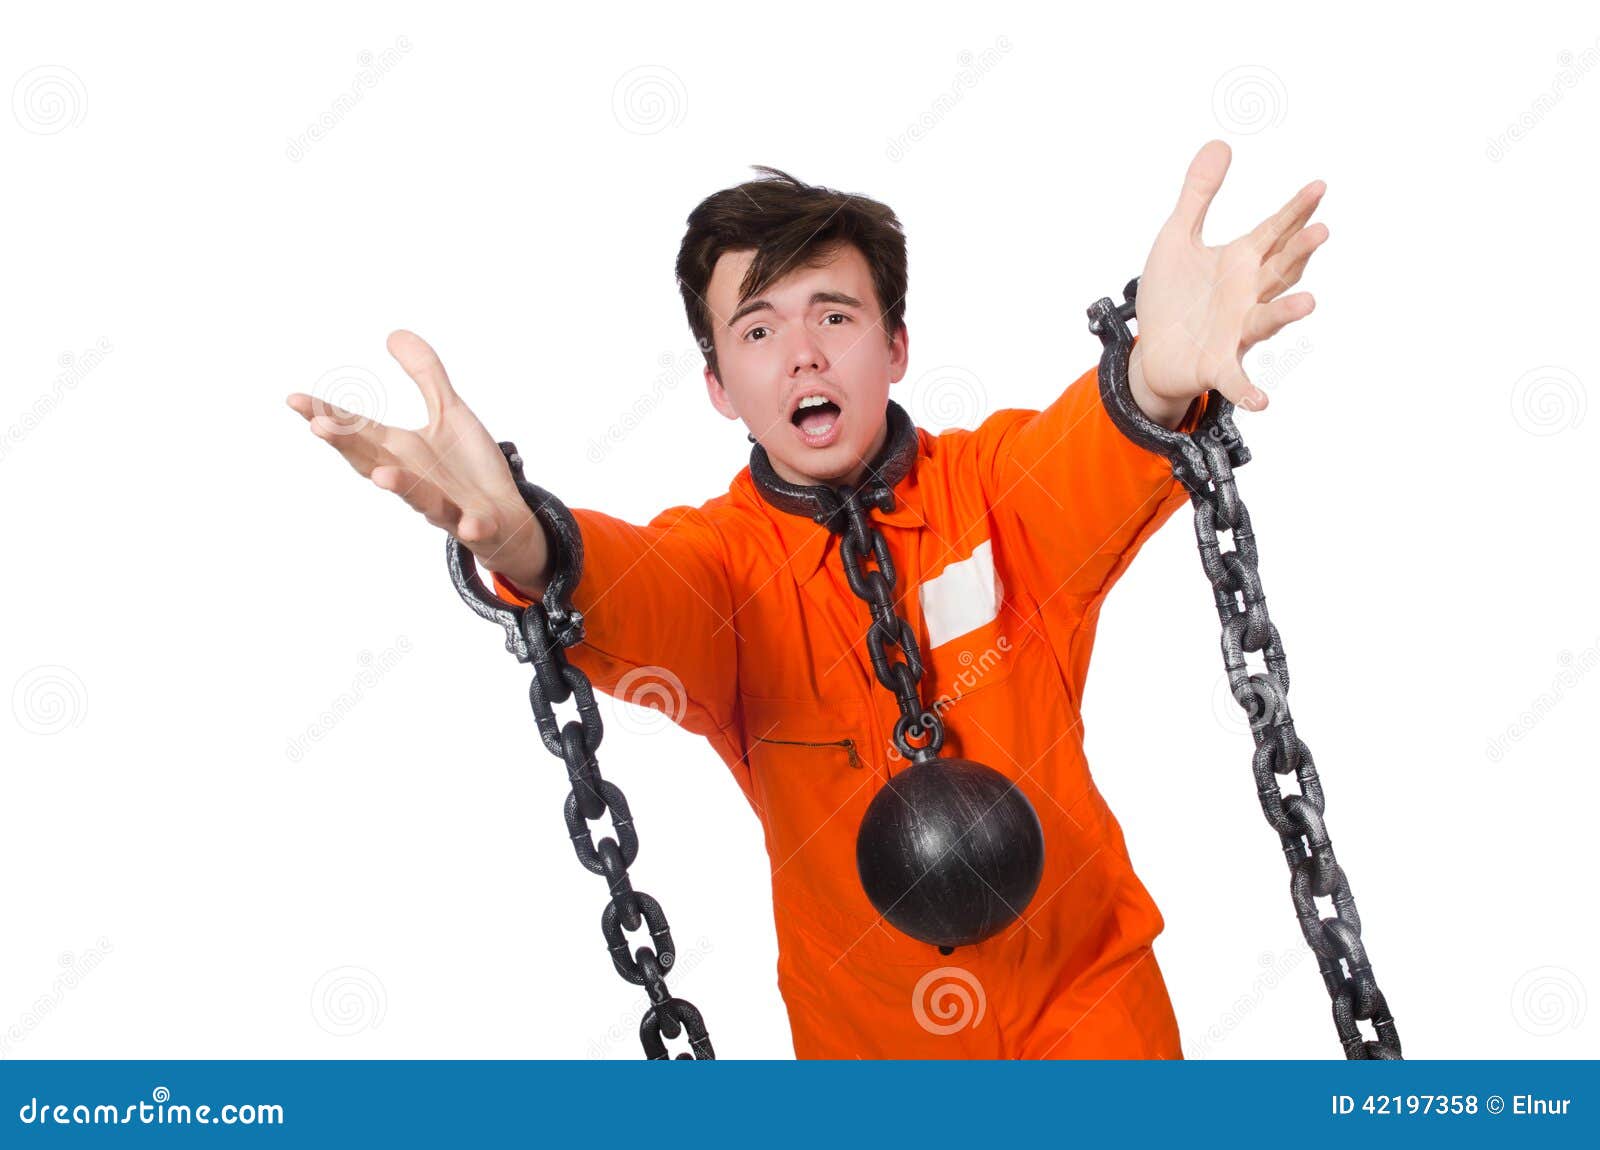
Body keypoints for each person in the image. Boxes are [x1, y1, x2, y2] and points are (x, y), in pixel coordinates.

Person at [286, 140, 1326, 1058]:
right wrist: (526, 539)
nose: (804, 354)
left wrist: (1148, 381)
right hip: (873, 1052)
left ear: (895, 346)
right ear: (717, 387)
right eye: (757, 331)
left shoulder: (997, 496)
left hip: (1093, 1011)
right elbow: (647, 596)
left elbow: (1086, 458)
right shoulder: (726, 571)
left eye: (836, 314)